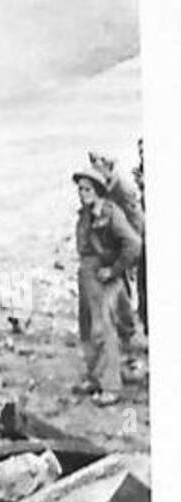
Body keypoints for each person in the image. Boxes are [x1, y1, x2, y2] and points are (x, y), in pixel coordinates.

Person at [70, 166, 142, 406]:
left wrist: (114, 270)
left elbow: (133, 244)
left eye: (87, 189)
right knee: (87, 328)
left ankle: (111, 386)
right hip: (87, 276)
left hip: (104, 277)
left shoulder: (111, 213)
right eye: (80, 189)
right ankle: (94, 377)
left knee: (104, 330)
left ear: (99, 190)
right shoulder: (86, 214)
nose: (82, 193)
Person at [89, 149, 147, 353]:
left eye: (96, 163)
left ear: (107, 165)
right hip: (118, 244)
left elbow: (136, 220)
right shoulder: (107, 186)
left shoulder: (121, 187)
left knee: (122, 286)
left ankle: (128, 333)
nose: (94, 168)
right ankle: (123, 329)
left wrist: (131, 256)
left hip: (130, 243)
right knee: (119, 287)